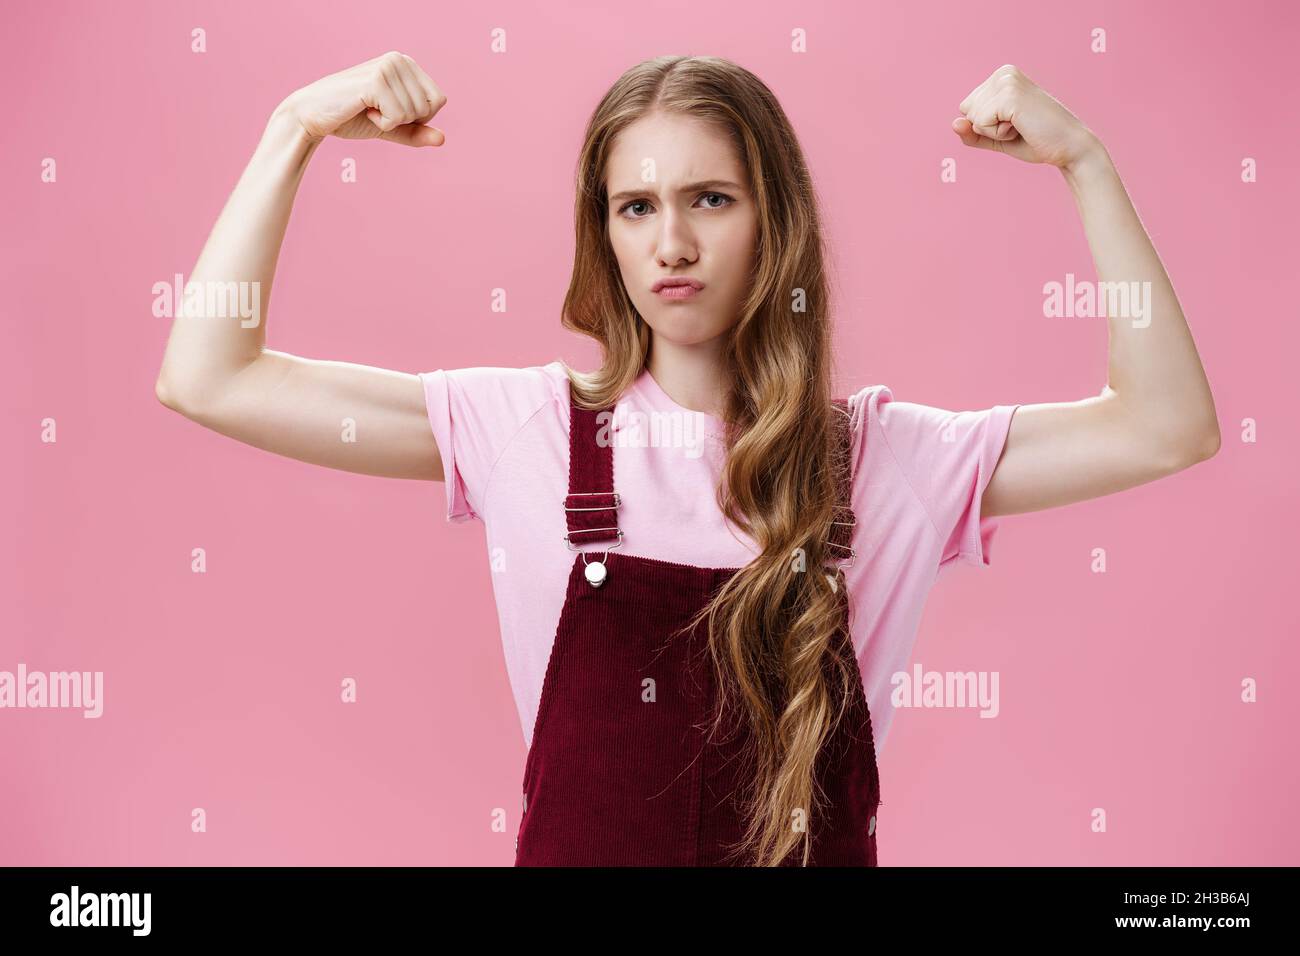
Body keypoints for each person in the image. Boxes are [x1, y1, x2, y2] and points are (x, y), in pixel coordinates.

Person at [154, 52, 1219, 867]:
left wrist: (1084, 161)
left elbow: (1164, 423)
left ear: (774, 221)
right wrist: (292, 128)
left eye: (710, 198)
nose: (672, 241)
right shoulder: (520, 428)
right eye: (636, 206)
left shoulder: (885, 458)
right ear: (605, 236)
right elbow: (211, 375)